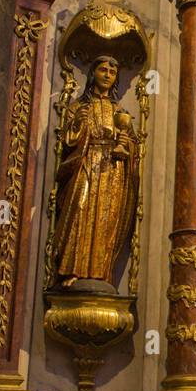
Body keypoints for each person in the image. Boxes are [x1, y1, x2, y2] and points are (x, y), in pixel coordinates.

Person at [51, 54, 139, 287]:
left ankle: (102, 273)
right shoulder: (79, 107)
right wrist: (78, 124)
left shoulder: (119, 111)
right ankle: (73, 270)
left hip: (113, 171)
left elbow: (132, 143)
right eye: (103, 70)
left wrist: (126, 143)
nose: (107, 75)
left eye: (112, 73)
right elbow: (68, 143)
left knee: (106, 220)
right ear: (93, 74)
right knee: (81, 211)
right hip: (87, 164)